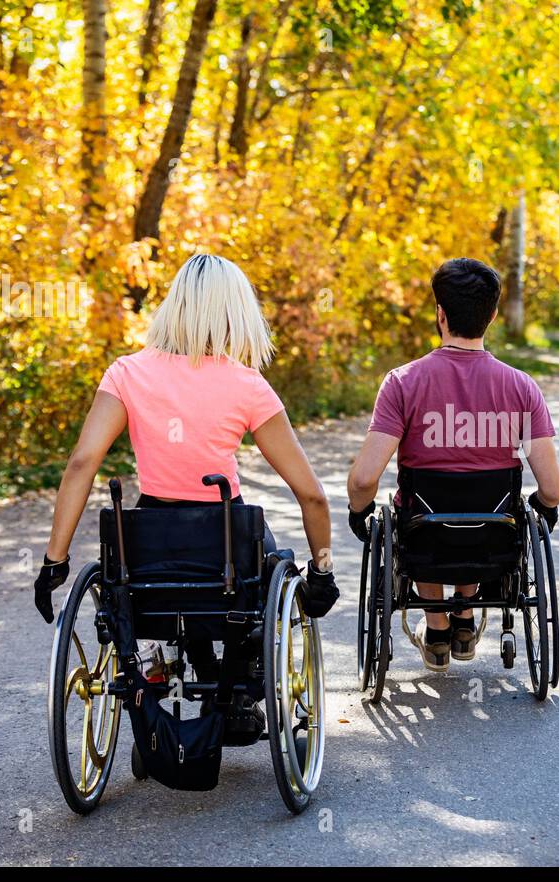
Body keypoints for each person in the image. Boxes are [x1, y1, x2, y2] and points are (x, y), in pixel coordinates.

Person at [32, 253, 340, 683]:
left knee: (165, 574)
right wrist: (322, 571)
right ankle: (238, 677)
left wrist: (54, 560)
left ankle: (178, 663)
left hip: (149, 539)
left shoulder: (127, 373)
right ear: (235, 311)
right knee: (266, 565)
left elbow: (83, 461)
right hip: (226, 539)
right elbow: (312, 495)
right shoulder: (248, 385)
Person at [346, 257, 559, 672]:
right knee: (486, 512)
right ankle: (464, 614)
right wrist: (542, 509)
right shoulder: (522, 387)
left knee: (416, 514)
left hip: (424, 541)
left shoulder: (402, 383)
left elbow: (363, 479)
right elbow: (553, 490)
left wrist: (358, 513)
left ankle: (437, 624)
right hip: (493, 541)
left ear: (440, 314)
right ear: (494, 316)